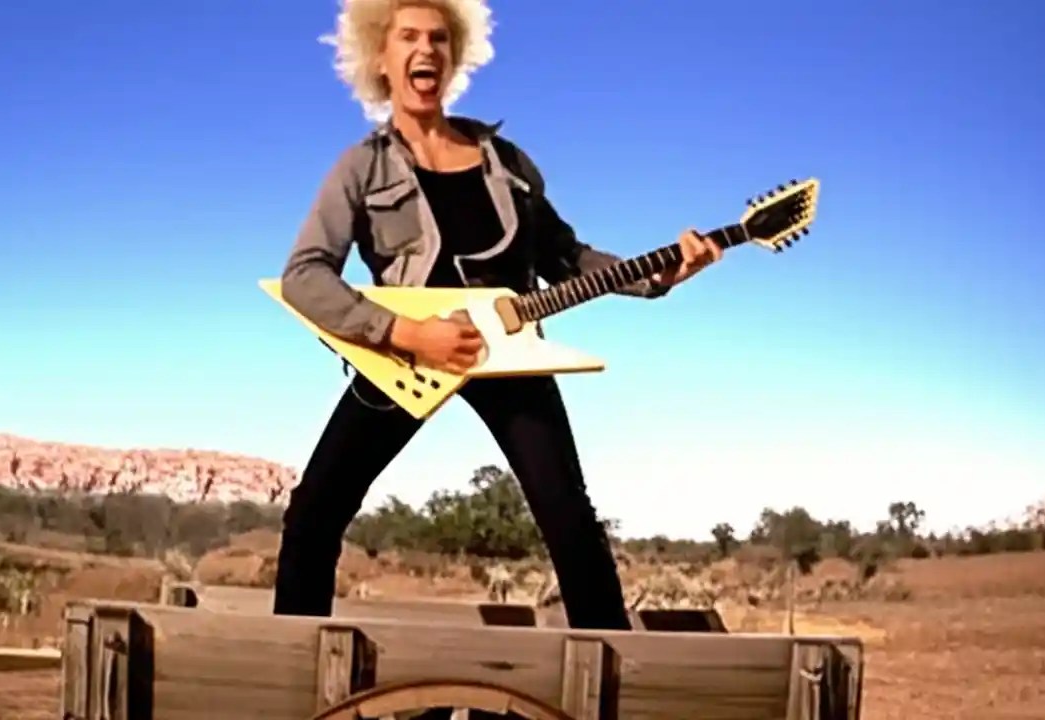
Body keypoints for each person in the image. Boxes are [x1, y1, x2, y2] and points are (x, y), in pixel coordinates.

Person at [273, 0, 723, 631]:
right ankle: (295, 663)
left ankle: (609, 669)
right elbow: (305, 276)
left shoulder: (506, 163)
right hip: (405, 357)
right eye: (408, 37)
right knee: (315, 511)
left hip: (510, 355)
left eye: (438, 38)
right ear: (381, 56)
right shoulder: (361, 167)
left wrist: (657, 273)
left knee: (569, 518)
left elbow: (567, 256)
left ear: (454, 55)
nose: (425, 49)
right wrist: (402, 332)